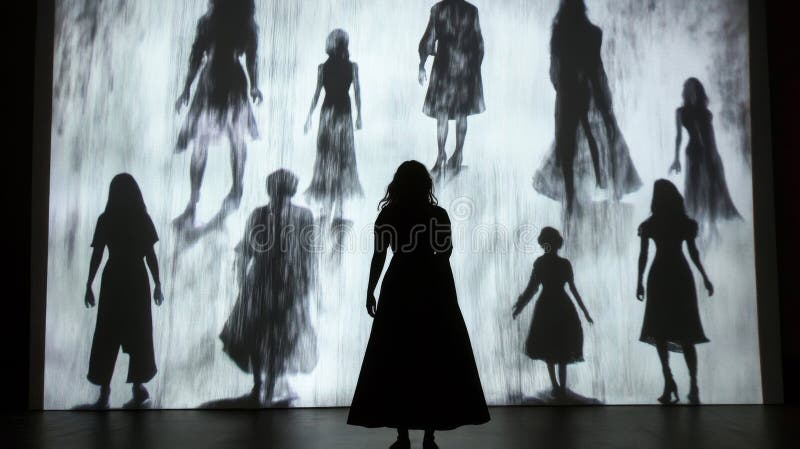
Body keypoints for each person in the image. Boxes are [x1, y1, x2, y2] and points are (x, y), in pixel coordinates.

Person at [348, 161, 490, 449]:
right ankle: (429, 435)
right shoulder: (437, 213)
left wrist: (370, 289)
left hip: (400, 284)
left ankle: (402, 436)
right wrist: (430, 258)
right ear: (426, 184)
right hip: (434, 284)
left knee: (398, 355)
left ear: (397, 184)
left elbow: (379, 255)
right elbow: (446, 249)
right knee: (433, 356)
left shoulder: (389, 214)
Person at [219, 169, 318, 405]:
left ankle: (262, 386)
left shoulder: (261, 214)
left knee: (261, 334)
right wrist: (308, 284)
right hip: (283, 284)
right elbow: (308, 256)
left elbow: (246, 249)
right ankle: (268, 386)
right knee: (275, 336)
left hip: (266, 283)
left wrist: (243, 278)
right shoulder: (303, 215)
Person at [533, 0, 641, 215]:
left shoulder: (560, 32)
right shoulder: (593, 33)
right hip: (589, 91)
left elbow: (555, 68)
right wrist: (603, 99)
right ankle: (605, 184)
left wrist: (561, 87)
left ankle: (572, 193)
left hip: (567, 93)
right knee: (598, 136)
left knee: (567, 142)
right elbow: (596, 69)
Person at [174, 0, 263, 227]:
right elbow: (250, 58)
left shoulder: (217, 22)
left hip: (217, 80)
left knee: (225, 139)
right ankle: (214, 195)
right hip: (223, 80)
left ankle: (225, 192)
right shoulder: (242, 24)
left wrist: (254, 85)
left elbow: (197, 56)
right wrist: (186, 87)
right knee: (222, 139)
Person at [84, 174, 163, 409]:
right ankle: (138, 387)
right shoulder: (141, 219)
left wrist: (89, 284)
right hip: (136, 280)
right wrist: (157, 283)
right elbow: (150, 254)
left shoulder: (106, 219)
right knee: (138, 333)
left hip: (114, 278)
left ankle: (104, 390)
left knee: (107, 334)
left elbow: (98, 254)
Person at [636, 180, 714, 405]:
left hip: (660, 274)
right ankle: (693, 385)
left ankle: (670, 381)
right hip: (680, 274)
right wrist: (705, 277)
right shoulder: (683, 224)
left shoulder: (651, 224)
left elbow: (643, 256)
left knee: (660, 331)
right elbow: (693, 253)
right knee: (685, 332)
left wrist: (639, 281)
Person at [512, 227, 593, 398]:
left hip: (545, 307)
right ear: (557, 244)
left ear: (544, 244)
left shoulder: (540, 263)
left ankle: (556, 386)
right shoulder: (564, 264)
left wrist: (520, 306)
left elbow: (531, 289)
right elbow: (573, 289)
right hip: (563, 307)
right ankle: (561, 387)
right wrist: (585, 312)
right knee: (562, 348)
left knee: (548, 347)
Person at [304, 29, 364, 227]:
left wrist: (309, 116)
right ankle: (337, 205)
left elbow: (316, 94)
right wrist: (359, 116)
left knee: (328, 155)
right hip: (341, 113)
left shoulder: (324, 68)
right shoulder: (351, 67)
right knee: (341, 155)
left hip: (329, 114)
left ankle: (329, 202)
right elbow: (357, 93)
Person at [418, 0, 485, 175]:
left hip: (443, 67)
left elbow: (428, 40)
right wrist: (475, 70)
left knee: (442, 114)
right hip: (465, 68)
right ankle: (459, 155)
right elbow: (479, 44)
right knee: (462, 113)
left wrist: (421, 64)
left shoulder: (438, 9)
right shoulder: (471, 11)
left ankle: (441, 156)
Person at [670, 78, 741, 229]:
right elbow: (678, 137)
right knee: (694, 190)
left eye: (692, 90)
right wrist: (676, 159)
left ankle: (708, 229)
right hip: (694, 154)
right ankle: (696, 227)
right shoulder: (681, 112)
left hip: (707, 154)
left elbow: (710, 136)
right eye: (687, 90)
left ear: (698, 93)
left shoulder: (704, 113)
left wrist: (714, 158)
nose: (688, 93)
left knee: (711, 190)